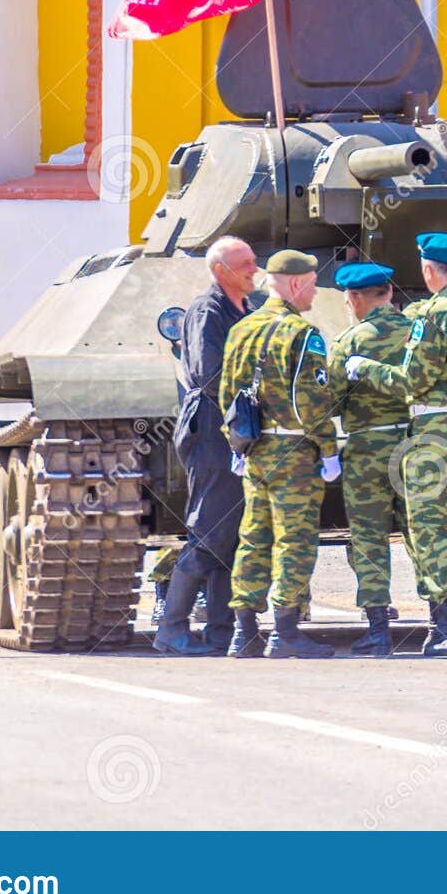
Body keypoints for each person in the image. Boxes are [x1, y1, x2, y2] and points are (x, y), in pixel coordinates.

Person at [344, 233, 447, 654]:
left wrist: (365, 368)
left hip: (435, 434)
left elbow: (413, 381)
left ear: (429, 272)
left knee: (431, 535)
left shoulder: (432, 316)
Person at [219, 249, 341, 660]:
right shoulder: (302, 333)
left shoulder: (242, 329)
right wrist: (328, 448)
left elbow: (227, 395)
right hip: (293, 449)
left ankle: (244, 631)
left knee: (254, 536)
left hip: (255, 449)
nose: (314, 292)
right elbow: (311, 400)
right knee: (294, 538)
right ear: (293, 283)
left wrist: (236, 443)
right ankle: (285, 631)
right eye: (311, 282)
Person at [155, 236, 257, 656]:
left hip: (236, 427)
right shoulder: (207, 311)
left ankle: (220, 629)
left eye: (254, 260)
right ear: (221, 271)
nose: (255, 268)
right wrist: (258, 385)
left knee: (229, 534)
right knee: (209, 531)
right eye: (245, 263)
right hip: (214, 427)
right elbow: (208, 373)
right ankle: (171, 630)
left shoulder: (246, 308)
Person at [326, 263, 412, 657]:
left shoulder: (350, 341)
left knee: (370, 541)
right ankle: (446, 626)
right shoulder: (417, 333)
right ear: (390, 292)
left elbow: (333, 400)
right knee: (424, 535)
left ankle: (379, 632)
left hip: (366, 451)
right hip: (417, 449)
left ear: (355, 298)